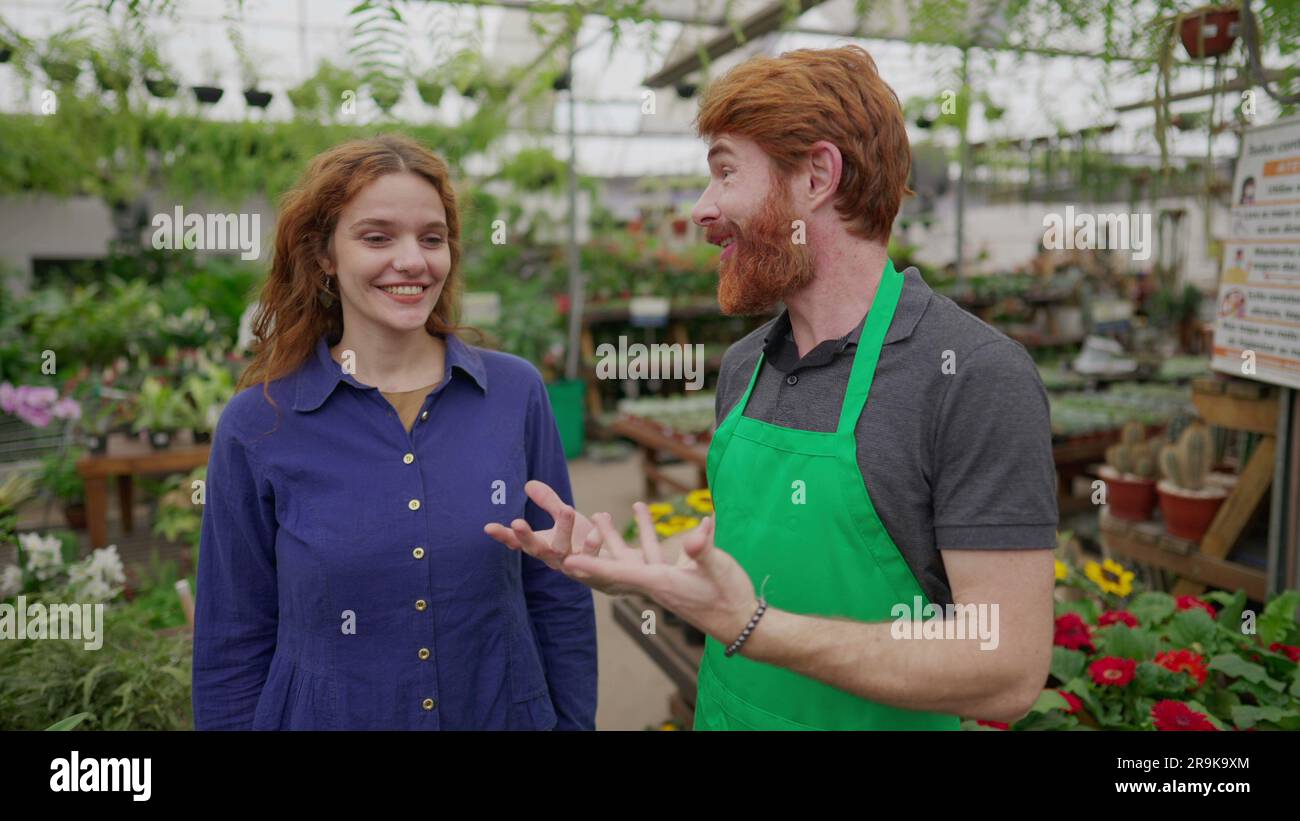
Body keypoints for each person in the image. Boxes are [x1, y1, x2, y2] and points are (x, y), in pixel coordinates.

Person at [488, 46, 1056, 730]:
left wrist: (754, 626)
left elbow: (1005, 670)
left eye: (725, 171)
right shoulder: (746, 363)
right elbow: (758, 552)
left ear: (817, 175)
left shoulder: (972, 374)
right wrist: (641, 566)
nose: (702, 209)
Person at [194, 135, 597, 730]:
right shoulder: (260, 424)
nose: (413, 260)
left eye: (431, 238)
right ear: (324, 254)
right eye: (377, 237)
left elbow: (557, 592)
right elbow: (232, 635)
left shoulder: (515, 395)